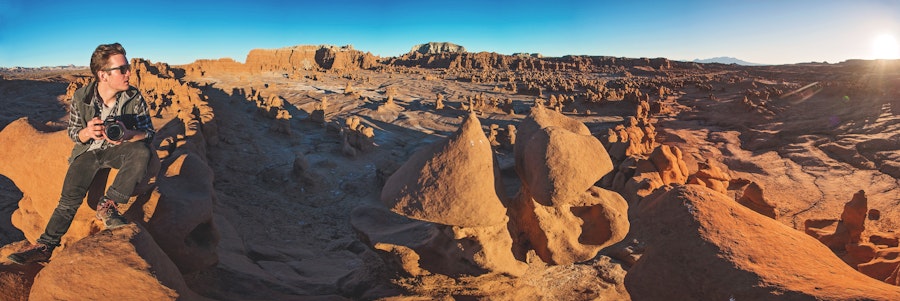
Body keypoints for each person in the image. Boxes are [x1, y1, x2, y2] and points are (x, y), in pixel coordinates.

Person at [8, 43, 154, 264]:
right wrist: (87, 132)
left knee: (142, 152)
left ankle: (109, 205)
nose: (129, 73)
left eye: (128, 67)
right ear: (103, 75)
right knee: (68, 202)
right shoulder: (81, 97)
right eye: (122, 69)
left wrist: (127, 134)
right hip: (88, 153)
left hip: (118, 150)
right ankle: (45, 245)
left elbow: (148, 133)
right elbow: (74, 134)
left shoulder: (134, 97)